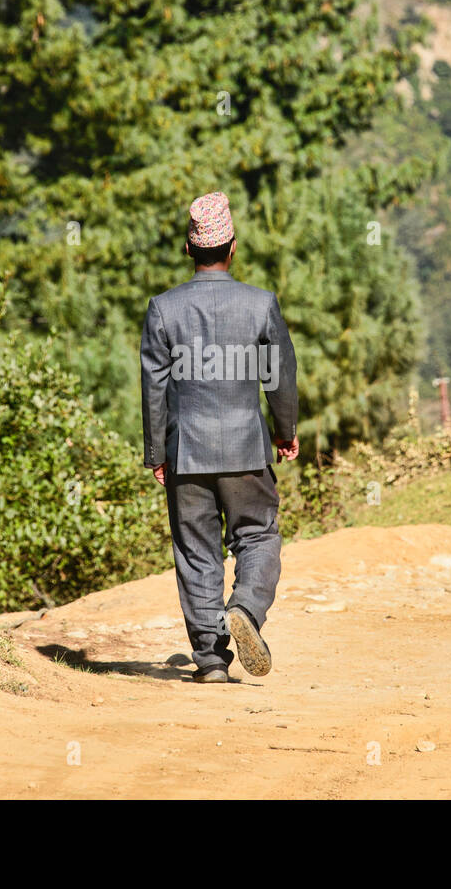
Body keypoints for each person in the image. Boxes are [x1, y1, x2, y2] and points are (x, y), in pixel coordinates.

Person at [140, 191, 299, 684]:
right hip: (246, 449)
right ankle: (247, 609)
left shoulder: (163, 309)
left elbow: (154, 387)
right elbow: (280, 376)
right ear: (232, 247)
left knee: (196, 550)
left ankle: (210, 660)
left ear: (189, 250)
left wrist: (155, 453)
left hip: (186, 451)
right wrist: (285, 431)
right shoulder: (260, 304)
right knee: (257, 535)